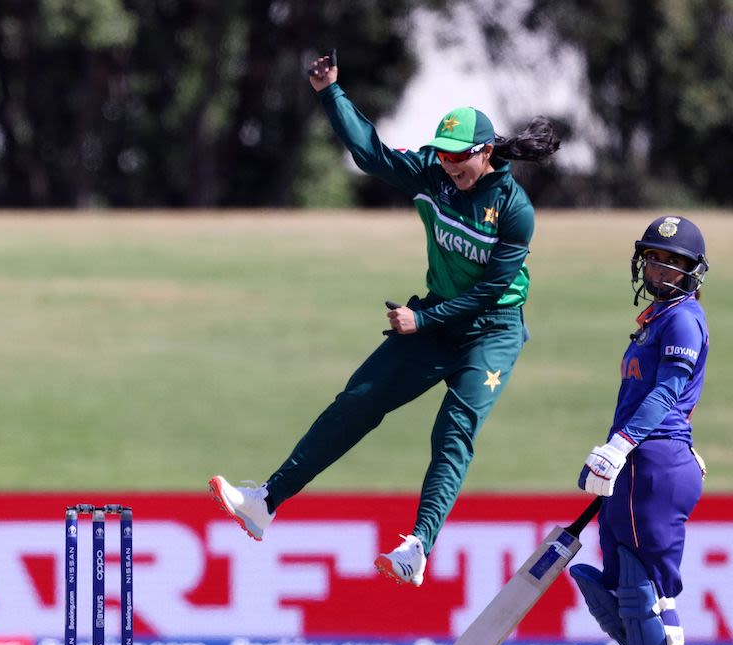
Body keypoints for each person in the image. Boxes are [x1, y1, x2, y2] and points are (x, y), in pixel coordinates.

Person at [209, 52, 560, 587]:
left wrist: (424, 320)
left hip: (492, 330)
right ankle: (265, 503)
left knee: (453, 432)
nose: (448, 167)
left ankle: (418, 545)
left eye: (459, 159)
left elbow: (492, 291)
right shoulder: (433, 175)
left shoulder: (514, 210)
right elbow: (369, 152)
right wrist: (330, 91)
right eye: (442, 157)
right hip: (436, 322)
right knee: (358, 401)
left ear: (486, 152)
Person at [568, 215, 726, 645]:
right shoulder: (655, 321)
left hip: (650, 462)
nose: (661, 268)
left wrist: (621, 445)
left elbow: (665, 397)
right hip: (645, 460)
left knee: (642, 598)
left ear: (693, 272)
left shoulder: (683, 321)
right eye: (655, 258)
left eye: (675, 262)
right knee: (635, 594)